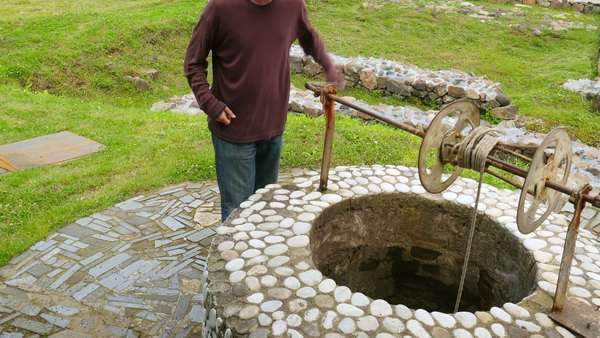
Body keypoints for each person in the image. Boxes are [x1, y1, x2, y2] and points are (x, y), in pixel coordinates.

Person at [184, 0, 342, 221]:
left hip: (273, 128)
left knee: (266, 208)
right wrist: (211, 105)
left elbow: (309, 39)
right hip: (233, 131)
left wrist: (329, 67)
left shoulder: (293, 5)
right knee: (237, 215)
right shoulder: (220, 8)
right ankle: (232, 256)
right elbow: (193, 64)